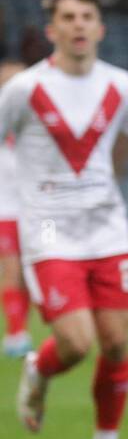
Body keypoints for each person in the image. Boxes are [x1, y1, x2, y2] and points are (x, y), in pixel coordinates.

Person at [3, 0, 128, 439]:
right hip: (48, 233)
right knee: (76, 343)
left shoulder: (118, 84)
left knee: (117, 342)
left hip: (107, 230)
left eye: (87, 16)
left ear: (100, 28)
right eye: (68, 17)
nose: (79, 24)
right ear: (52, 30)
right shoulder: (24, 89)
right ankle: (37, 370)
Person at [1, 123, 32, 358]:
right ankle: (15, 332)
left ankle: (21, 331)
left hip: (29, 217)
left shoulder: (26, 146)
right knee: (11, 272)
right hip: (4, 216)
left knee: (27, 275)